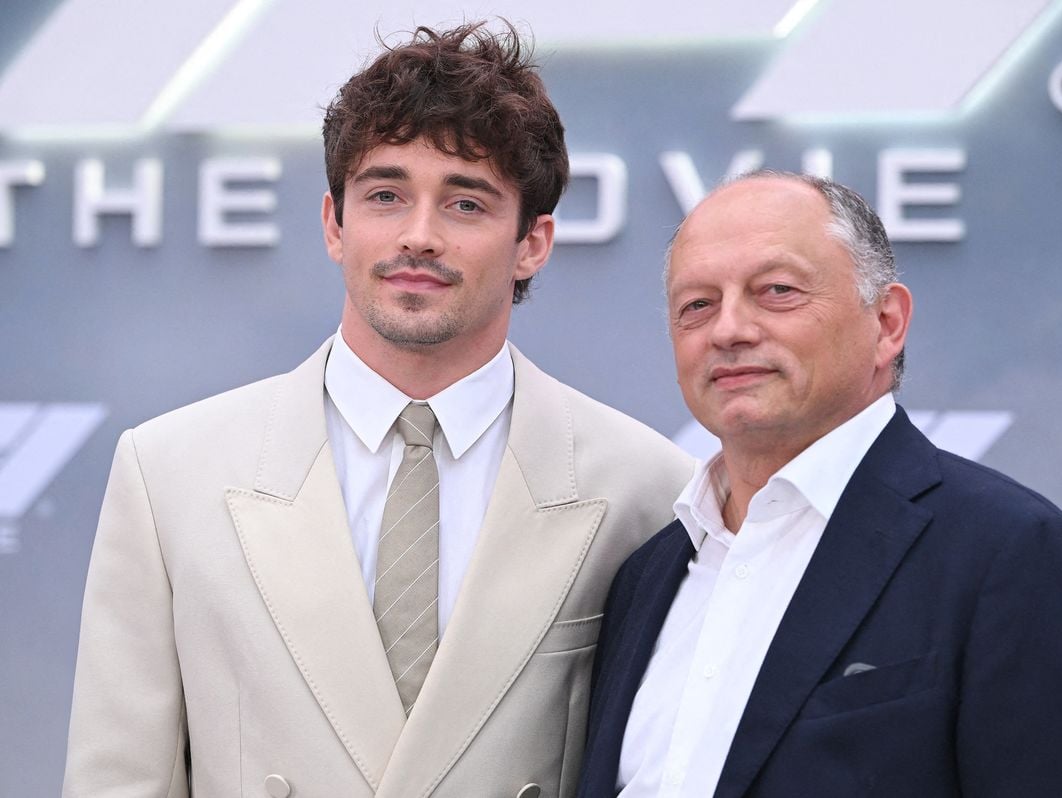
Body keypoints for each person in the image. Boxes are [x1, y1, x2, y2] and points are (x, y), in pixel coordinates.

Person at [62, 22, 693, 798]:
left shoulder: (649, 490)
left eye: (466, 203)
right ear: (334, 223)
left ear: (532, 243)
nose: (418, 237)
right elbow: (118, 780)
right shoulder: (169, 475)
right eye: (386, 196)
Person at [578, 172, 1062, 797]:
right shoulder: (643, 576)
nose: (728, 329)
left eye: (777, 291)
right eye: (697, 305)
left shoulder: (1012, 556)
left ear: (888, 322)